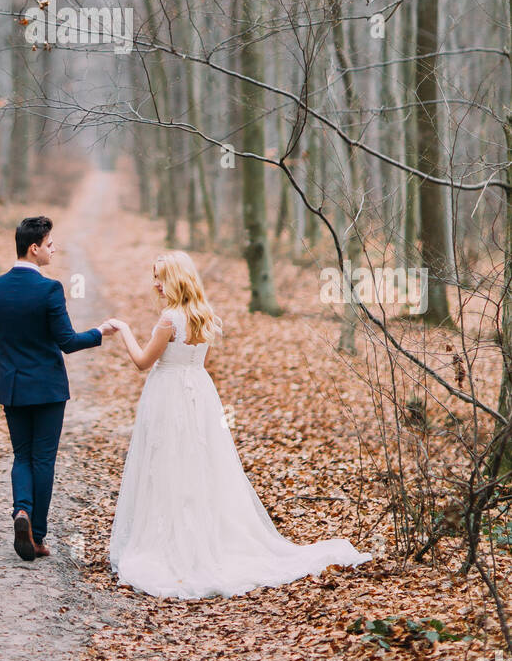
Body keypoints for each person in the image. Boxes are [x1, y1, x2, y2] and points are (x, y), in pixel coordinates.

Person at [106, 250, 373, 599]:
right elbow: (198, 362)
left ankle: (173, 542)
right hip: (199, 393)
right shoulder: (204, 316)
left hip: (169, 395)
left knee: (168, 463)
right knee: (198, 465)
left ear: (176, 279)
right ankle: (197, 535)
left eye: (161, 276)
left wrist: (123, 329)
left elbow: (143, 361)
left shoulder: (169, 320)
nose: (155, 283)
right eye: (154, 276)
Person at [0, 215, 115, 560]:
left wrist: (2, 383)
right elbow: (67, 342)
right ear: (34, 248)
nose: (54, 249)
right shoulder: (49, 289)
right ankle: (37, 537)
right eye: (50, 244)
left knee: (22, 456)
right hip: (49, 390)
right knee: (43, 460)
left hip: (13, 388)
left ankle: (20, 511)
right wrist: (100, 332)